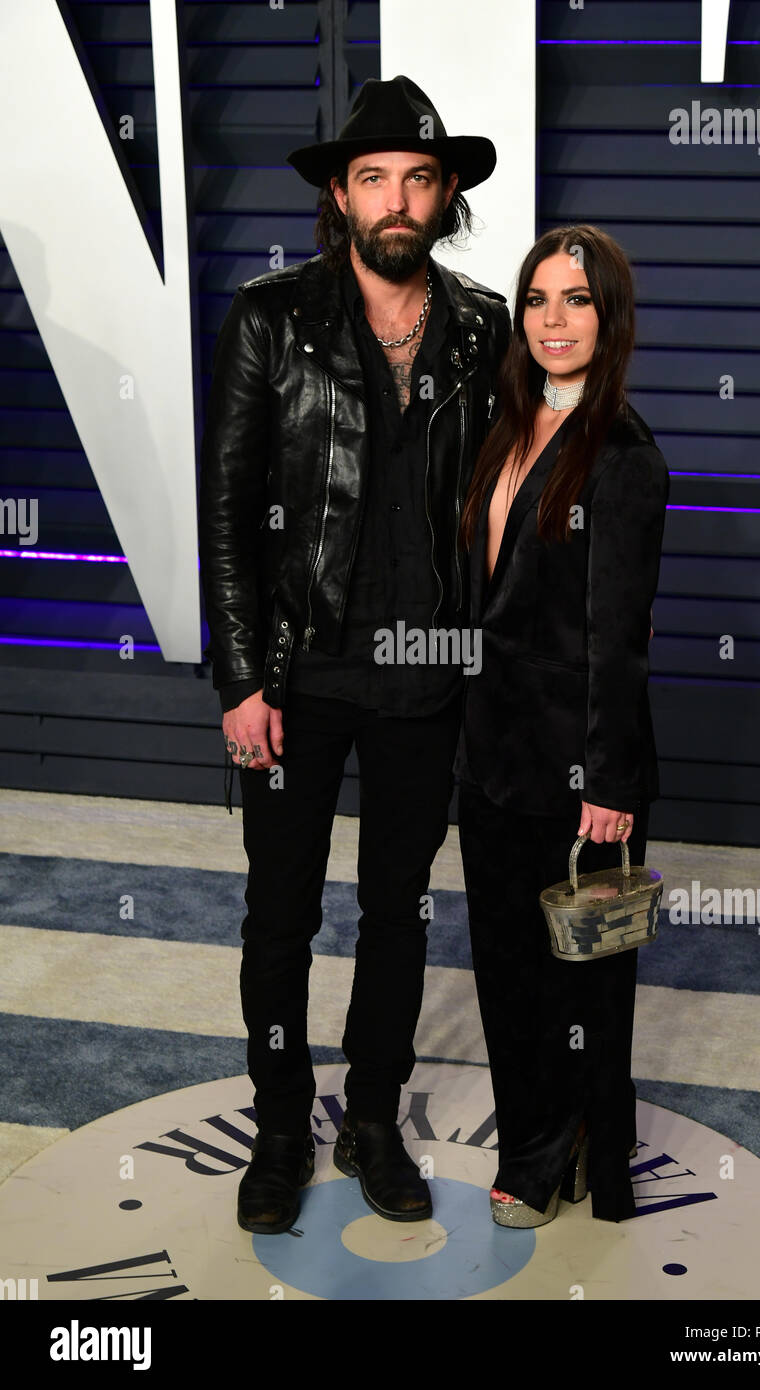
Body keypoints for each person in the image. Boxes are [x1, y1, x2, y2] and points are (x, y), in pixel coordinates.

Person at [198, 75, 510, 1235]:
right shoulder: (272, 318)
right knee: (279, 917)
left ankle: (371, 1116)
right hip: (295, 675)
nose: (397, 198)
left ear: (446, 194)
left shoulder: (484, 328)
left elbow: (509, 507)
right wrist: (239, 679)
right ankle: (282, 1123)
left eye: (418, 178)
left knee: (397, 910)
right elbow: (228, 510)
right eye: (373, 177)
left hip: (426, 676)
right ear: (340, 193)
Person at [455, 224, 669, 1227]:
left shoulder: (623, 456)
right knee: (502, 961)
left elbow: (619, 640)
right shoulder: (507, 427)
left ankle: (562, 1150)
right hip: (490, 751)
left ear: (609, 316)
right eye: (537, 298)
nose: (552, 319)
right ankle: (536, 1126)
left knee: (580, 973)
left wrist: (612, 784)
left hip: (576, 763)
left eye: (576, 299)